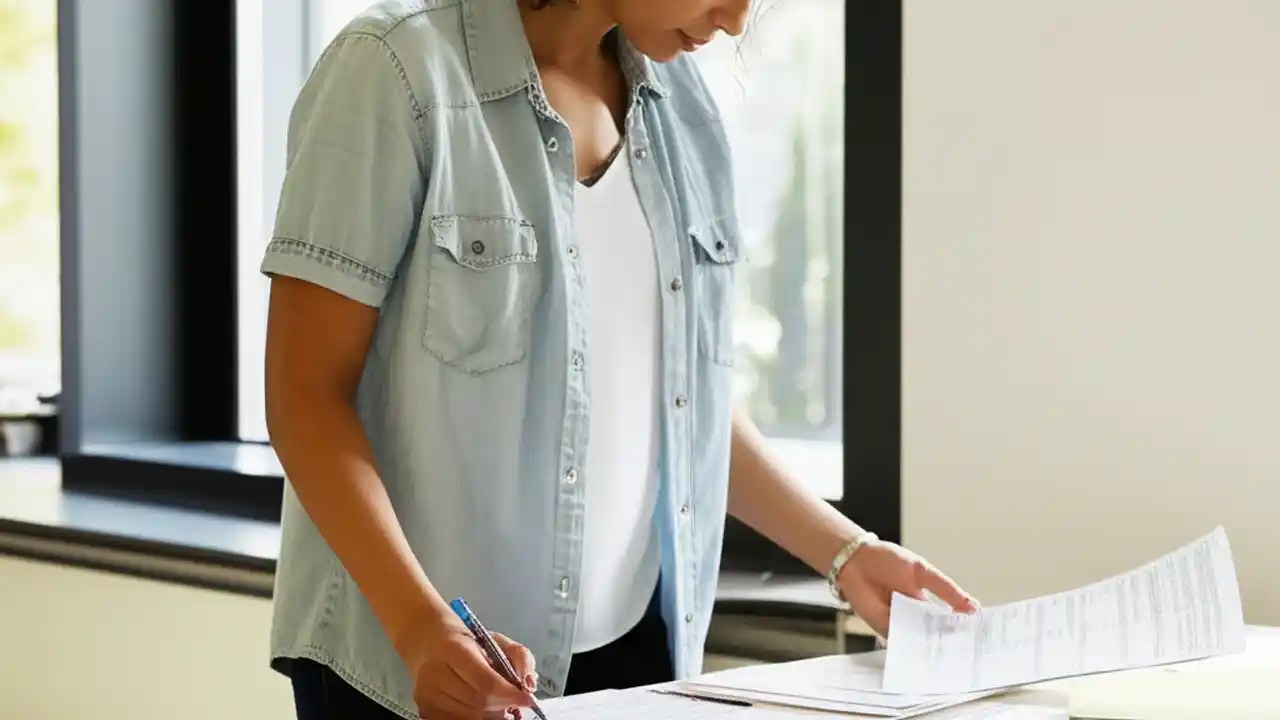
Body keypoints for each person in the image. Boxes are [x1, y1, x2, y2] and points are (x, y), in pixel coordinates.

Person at [260, 0, 979, 718]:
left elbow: (681, 401)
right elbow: (305, 396)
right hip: (415, 670)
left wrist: (847, 553)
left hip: (632, 661)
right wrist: (421, 627)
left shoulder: (681, 107)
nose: (735, 19)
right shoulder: (394, 72)